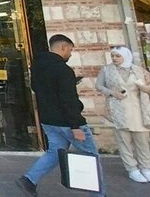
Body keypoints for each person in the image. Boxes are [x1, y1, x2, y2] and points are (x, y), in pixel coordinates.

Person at [16, 34, 104, 197]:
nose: (70, 54)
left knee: (55, 151)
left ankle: (29, 179)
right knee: (90, 156)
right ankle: (98, 194)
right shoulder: (63, 70)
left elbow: (37, 88)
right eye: (70, 50)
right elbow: (68, 100)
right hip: (67, 121)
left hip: (48, 119)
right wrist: (76, 126)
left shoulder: (38, 67)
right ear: (63, 47)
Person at [94, 47, 150, 183]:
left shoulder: (138, 70)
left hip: (138, 109)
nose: (114, 59)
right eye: (113, 56)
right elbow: (99, 86)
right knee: (124, 141)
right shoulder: (107, 70)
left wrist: (145, 87)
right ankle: (132, 169)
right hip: (118, 109)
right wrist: (112, 93)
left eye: (118, 56)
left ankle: (146, 168)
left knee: (142, 141)